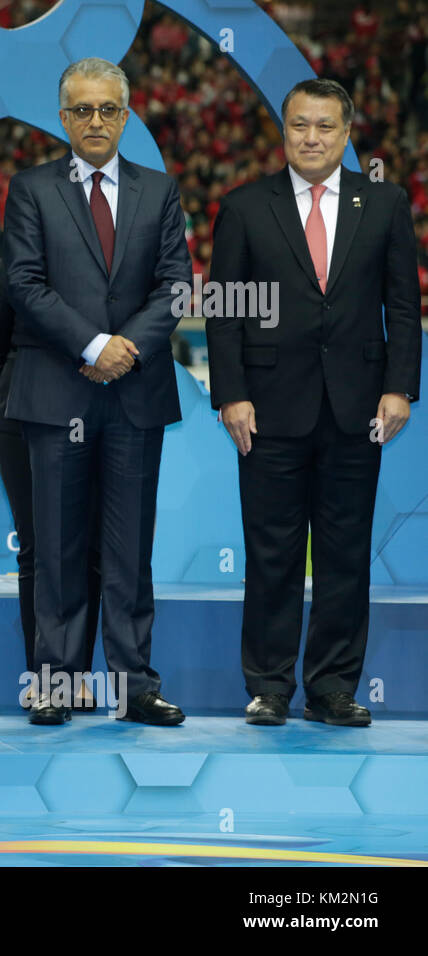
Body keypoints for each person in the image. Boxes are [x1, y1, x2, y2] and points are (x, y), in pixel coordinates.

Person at [206, 78, 421, 727]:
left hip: (360, 408)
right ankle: (269, 686)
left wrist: (400, 386)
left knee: (345, 552)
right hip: (267, 409)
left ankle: (331, 687)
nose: (311, 137)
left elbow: (404, 308)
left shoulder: (384, 204)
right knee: (271, 550)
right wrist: (232, 394)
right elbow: (222, 311)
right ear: (284, 130)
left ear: (346, 133)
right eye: (300, 124)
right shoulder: (246, 206)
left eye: (325, 126)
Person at [2, 57, 190, 726]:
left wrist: (124, 348)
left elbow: (176, 286)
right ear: (62, 117)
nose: (96, 121)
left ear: (126, 113)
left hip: (134, 391)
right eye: (82, 109)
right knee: (55, 548)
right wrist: (91, 345)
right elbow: (24, 284)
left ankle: (134, 684)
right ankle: (56, 682)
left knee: (130, 548)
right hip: (58, 390)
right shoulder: (31, 189)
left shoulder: (160, 191)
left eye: (108, 108)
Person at [0, 259, 102, 707]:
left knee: (89, 545)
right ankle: (44, 675)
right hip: (23, 420)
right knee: (38, 546)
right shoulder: (15, 261)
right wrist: (14, 411)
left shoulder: (110, 258)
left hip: (97, 418)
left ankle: (78, 672)